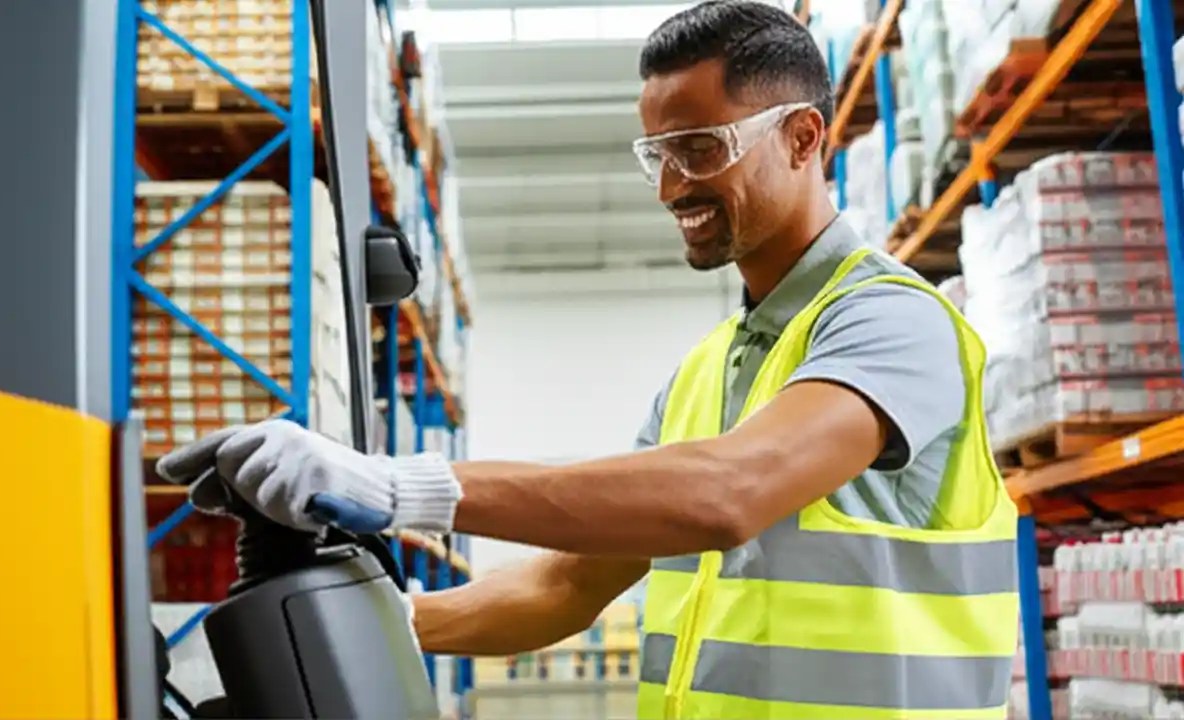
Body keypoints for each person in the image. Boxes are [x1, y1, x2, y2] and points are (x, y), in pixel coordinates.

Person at [158, 2, 1020, 717]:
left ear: (802, 137)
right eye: (656, 154)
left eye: (699, 149)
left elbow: (729, 493)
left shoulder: (895, 323)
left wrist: (399, 489)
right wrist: (342, 624)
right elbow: (564, 587)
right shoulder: (705, 372)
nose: (670, 188)